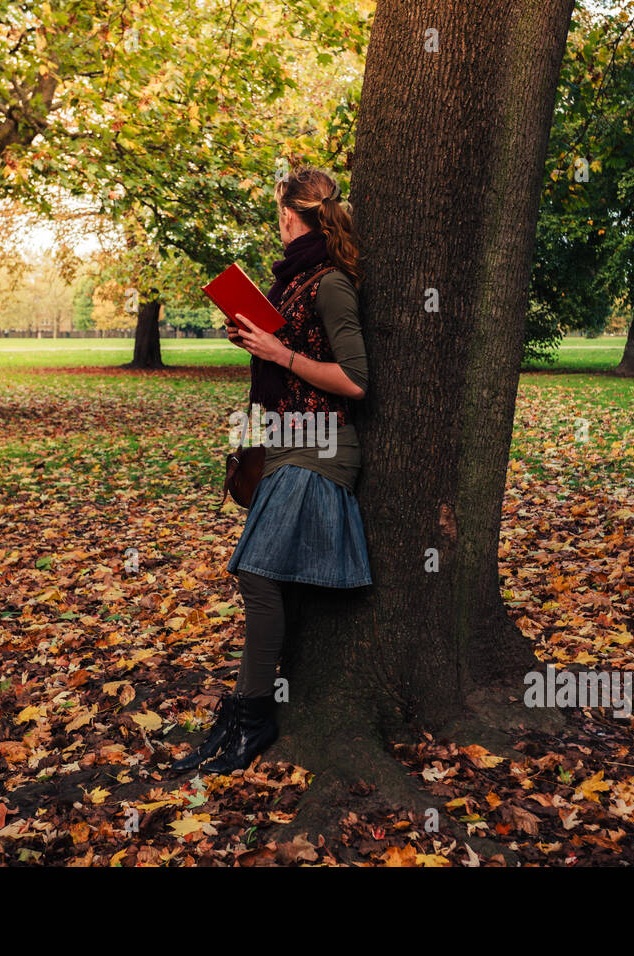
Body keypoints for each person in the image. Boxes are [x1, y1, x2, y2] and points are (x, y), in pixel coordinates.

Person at [168, 166, 372, 775]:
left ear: (290, 213)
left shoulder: (331, 282)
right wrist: (257, 342)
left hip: (320, 447)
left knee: (255, 575)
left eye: (277, 211)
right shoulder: (289, 284)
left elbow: (357, 380)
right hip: (280, 441)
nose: (275, 220)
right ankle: (244, 715)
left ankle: (251, 718)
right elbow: (288, 358)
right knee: (264, 578)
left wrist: (279, 352)